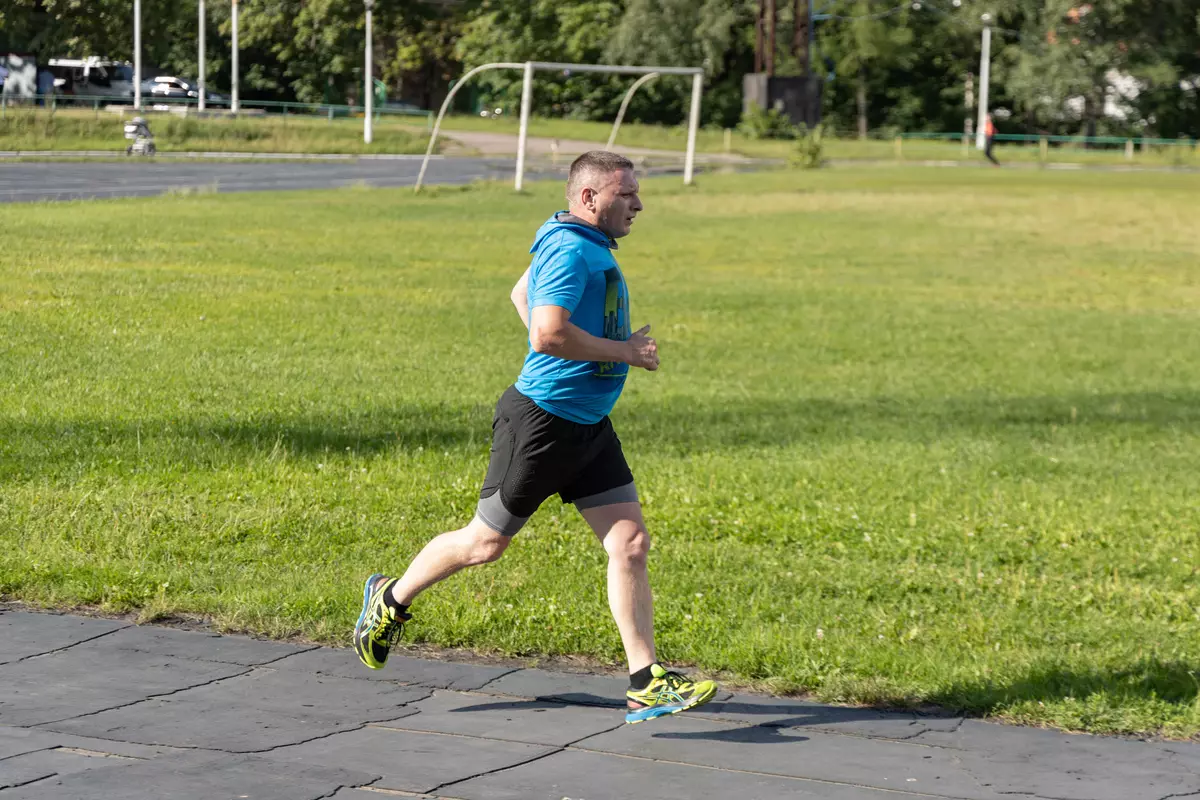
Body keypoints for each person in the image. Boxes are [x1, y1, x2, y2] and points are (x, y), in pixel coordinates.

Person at [353, 150, 718, 725]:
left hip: (589, 427)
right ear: (589, 198)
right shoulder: (574, 248)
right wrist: (623, 352)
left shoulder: (564, 235)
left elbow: (522, 295)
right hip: (542, 425)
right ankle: (389, 600)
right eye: (627, 194)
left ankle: (646, 681)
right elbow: (546, 333)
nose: (639, 204)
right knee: (484, 544)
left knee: (630, 544)